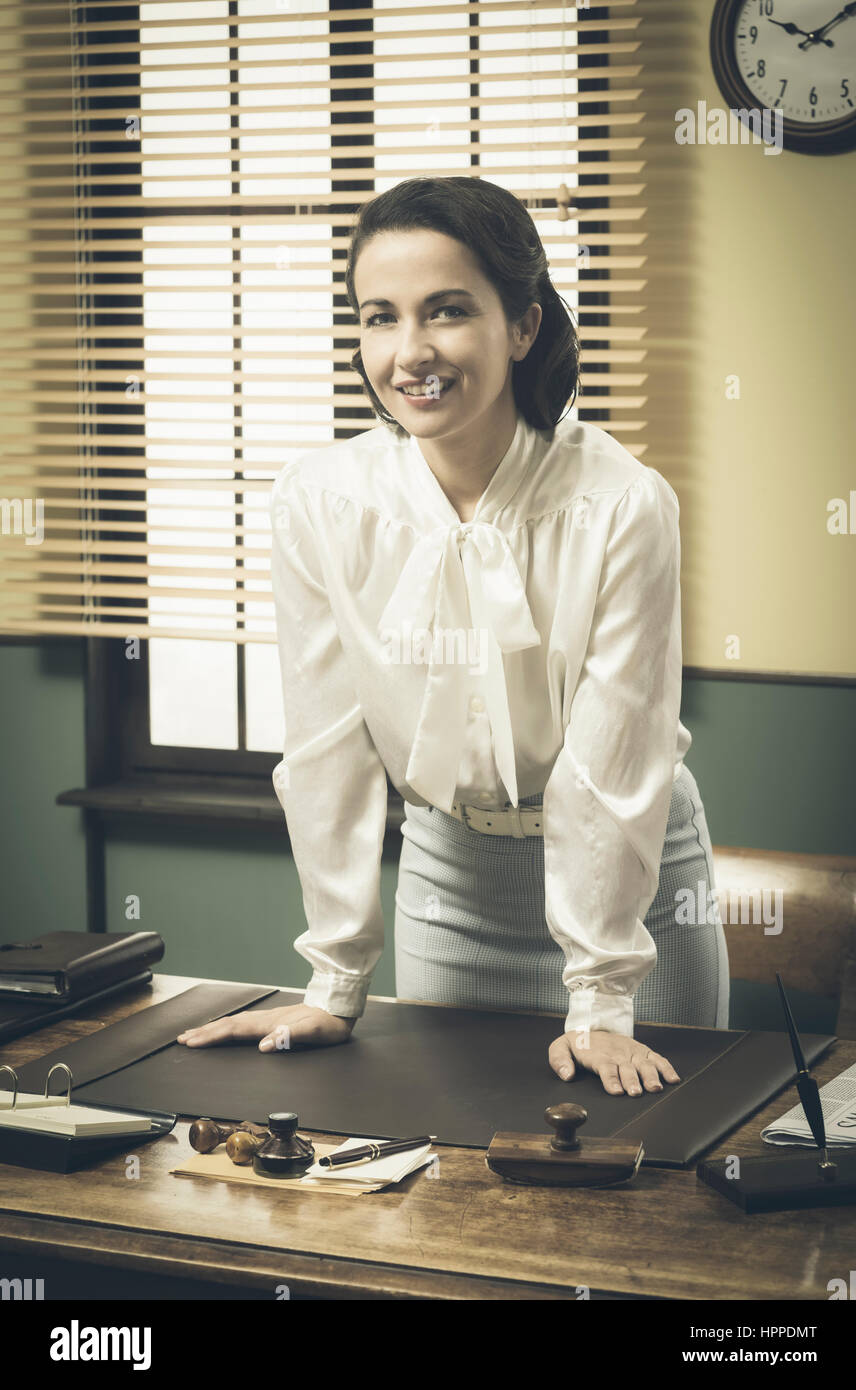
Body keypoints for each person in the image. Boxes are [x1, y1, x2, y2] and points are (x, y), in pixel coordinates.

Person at [178, 176, 730, 1097]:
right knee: (454, 1179)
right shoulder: (320, 500)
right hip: (447, 887)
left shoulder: (623, 503)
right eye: (378, 318)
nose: (409, 353)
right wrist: (336, 977)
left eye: (445, 312)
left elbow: (612, 764)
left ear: (522, 327)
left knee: (645, 1181)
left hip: (636, 901)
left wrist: (598, 997)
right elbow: (326, 745)